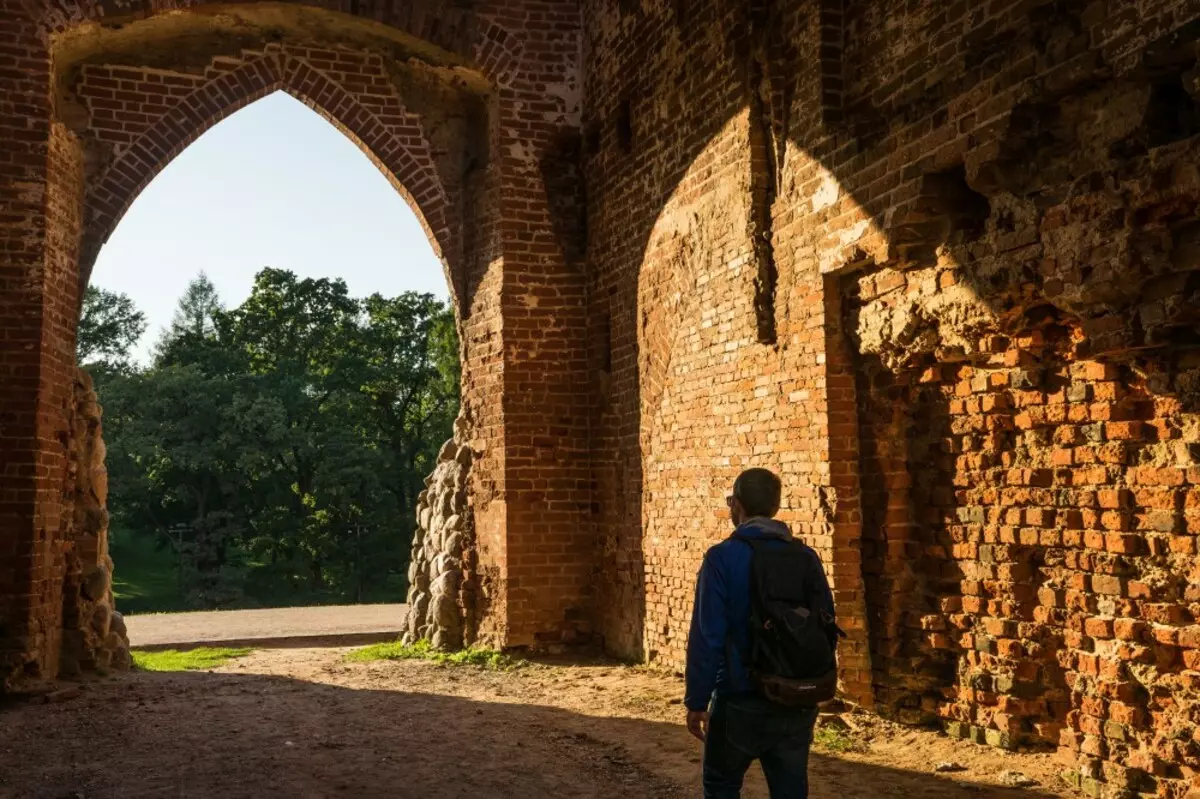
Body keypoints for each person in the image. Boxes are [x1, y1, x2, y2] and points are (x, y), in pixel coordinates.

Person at [684, 468, 837, 799]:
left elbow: (707, 637)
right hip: (796, 698)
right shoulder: (806, 557)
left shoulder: (722, 558)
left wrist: (697, 701)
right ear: (776, 506)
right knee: (791, 790)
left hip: (740, 698)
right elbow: (827, 625)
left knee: (722, 785)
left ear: (736, 505)